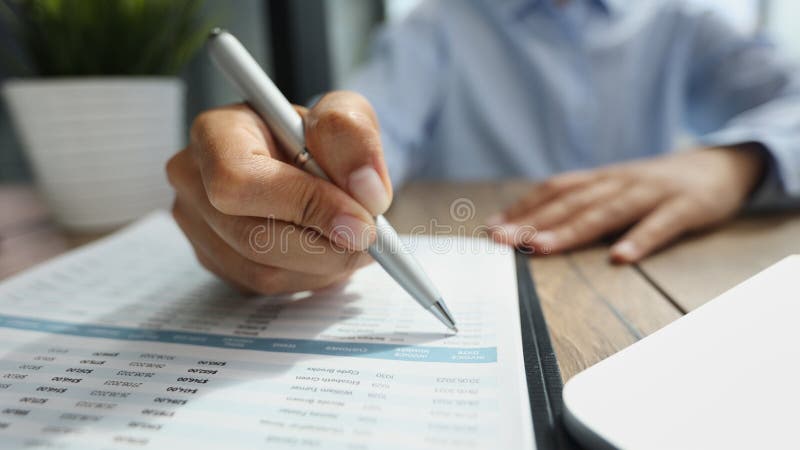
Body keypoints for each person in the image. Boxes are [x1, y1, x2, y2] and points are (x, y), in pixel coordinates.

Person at [166, 0, 800, 295]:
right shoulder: (434, 30)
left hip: (652, 281)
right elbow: (363, 132)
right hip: (484, 263)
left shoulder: (684, 25)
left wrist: (731, 163)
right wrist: (284, 171)